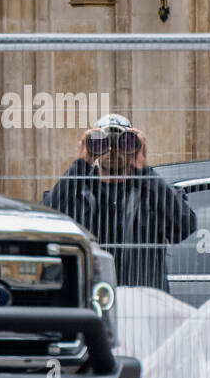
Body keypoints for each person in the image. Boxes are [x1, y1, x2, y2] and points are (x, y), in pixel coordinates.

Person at [42, 113, 197, 292]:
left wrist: (144, 170)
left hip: (141, 304)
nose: (112, 150)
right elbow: (48, 218)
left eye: (123, 142)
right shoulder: (77, 193)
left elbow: (184, 227)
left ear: (135, 146)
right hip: (90, 298)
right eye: (103, 143)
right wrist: (81, 165)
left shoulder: (153, 194)